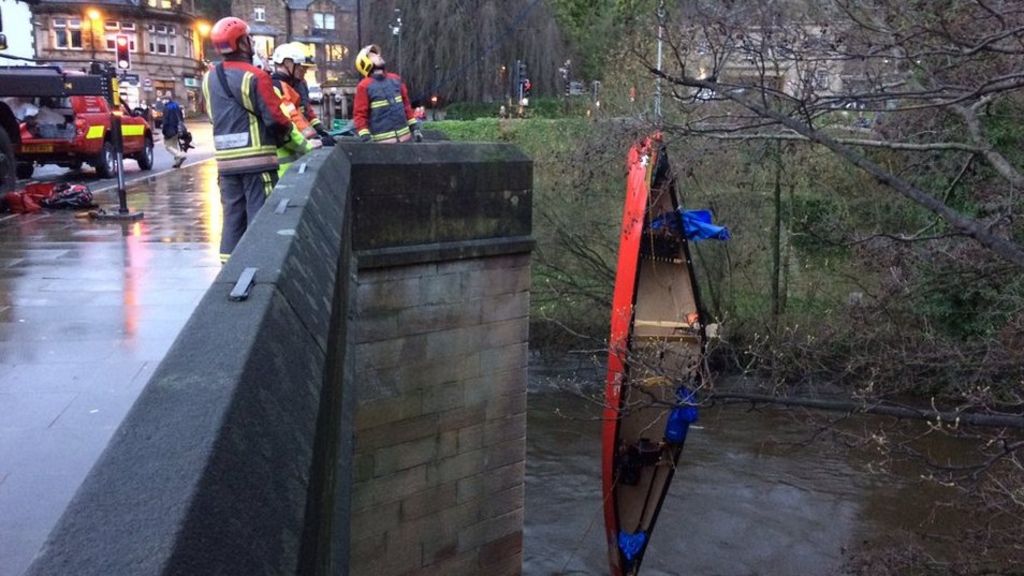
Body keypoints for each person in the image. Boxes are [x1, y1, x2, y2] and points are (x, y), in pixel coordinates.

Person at [202, 16, 311, 263]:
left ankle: (228, 270)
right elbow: (275, 119)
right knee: (261, 219)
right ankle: (258, 267)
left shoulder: (209, 79)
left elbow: (212, 116)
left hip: (226, 165)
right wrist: (288, 139)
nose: (251, 43)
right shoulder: (255, 77)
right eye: (249, 39)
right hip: (257, 163)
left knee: (232, 219)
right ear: (241, 44)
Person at [270, 42, 324, 178]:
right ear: (287, 63)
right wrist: (314, 139)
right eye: (299, 66)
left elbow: (302, 114)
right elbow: (291, 120)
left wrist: (318, 131)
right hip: (282, 163)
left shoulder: (290, 87)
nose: (302, 71)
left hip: (291, 157)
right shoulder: (277, 88)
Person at [352, 44, 422, 143]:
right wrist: (365, 136)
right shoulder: (364, 86)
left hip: (406, 141)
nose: (379, 56)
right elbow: (359, 114)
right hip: (383, 145)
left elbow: (406, 106)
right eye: (373, 55)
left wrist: (414, 127)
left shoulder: (395, 79)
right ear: (365, 63)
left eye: (378, 54)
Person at [161, 97, 188, 168]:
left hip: (169, 129)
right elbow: (181, 117)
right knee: (174, 145)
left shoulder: (166, 108)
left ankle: (180, 155)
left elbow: (165, 121)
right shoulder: (176, 106)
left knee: (168, 146)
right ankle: (177, 162)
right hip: (177, 129)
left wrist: (164, 130)